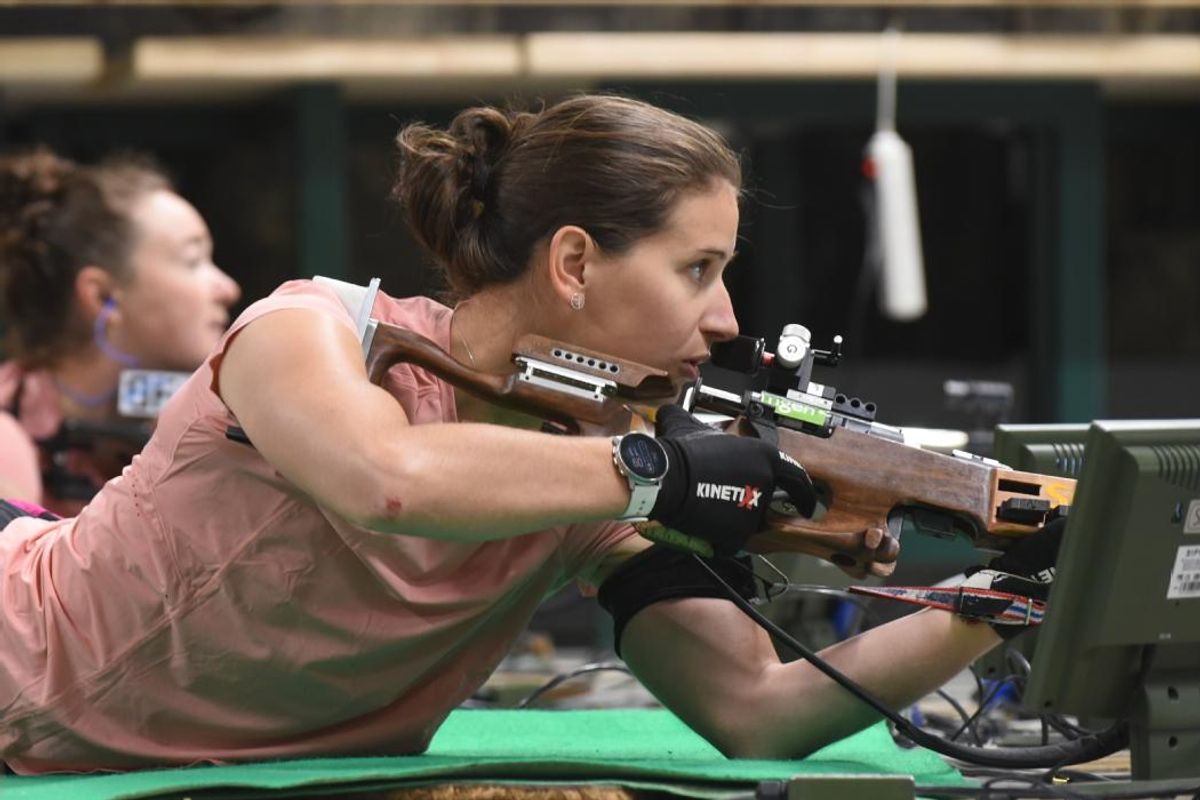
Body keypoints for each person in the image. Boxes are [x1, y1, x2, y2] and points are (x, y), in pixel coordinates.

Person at [0, 94, 1059, 774]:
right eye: (698, 268)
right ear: (574, 263)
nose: (728, 317)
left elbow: (757, 707)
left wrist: (999, 599)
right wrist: (662, 473)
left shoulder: (593, 484)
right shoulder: (307, 328)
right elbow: (387, 475)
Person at [0, 148, 241, 514]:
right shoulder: (6, 435)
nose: (228, 288)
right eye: (192, 261)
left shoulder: (208, 425)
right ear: (103, 296)